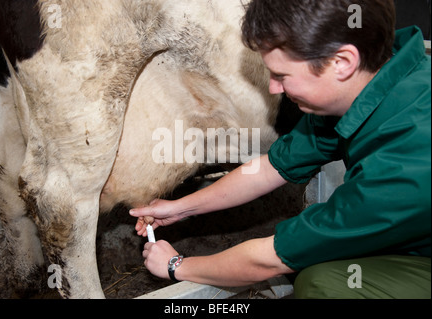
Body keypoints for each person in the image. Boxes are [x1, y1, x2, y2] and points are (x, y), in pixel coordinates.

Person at [130, 0, 431, 298]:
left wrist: (176, 265)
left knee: (324, 284)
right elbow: (270, 168)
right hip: (413, 235)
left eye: (281, 76)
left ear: (341, 62)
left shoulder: (408, 159)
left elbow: (268, 260)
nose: (274, 88)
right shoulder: (370, 82)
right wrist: (180, 208)